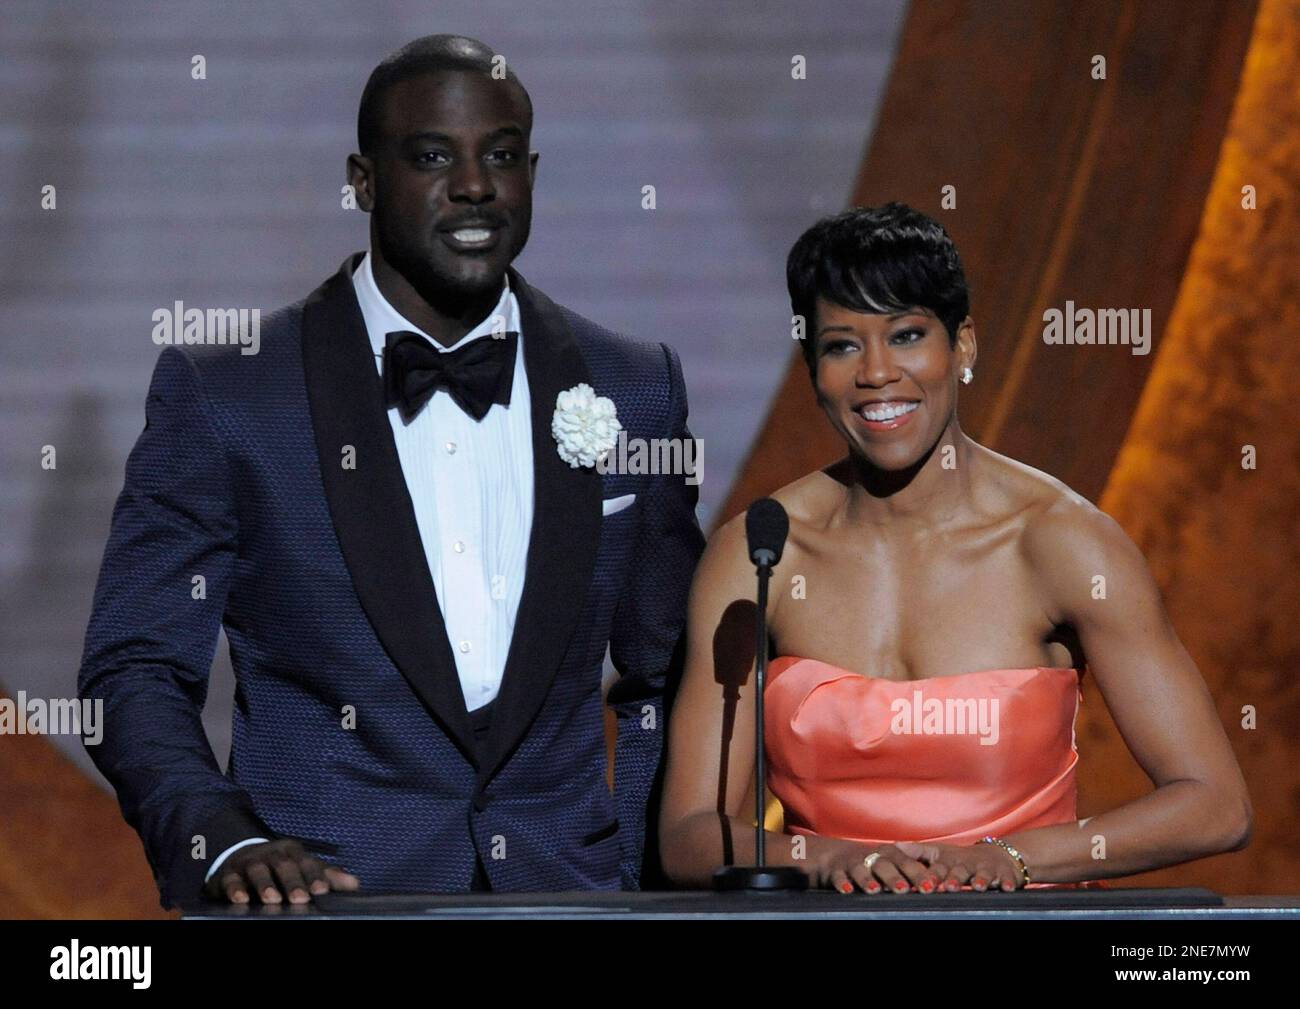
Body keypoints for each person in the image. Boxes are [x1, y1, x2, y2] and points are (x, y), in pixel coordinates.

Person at [77, 34, 704, 910]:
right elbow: (135, 665)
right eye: (433, 156)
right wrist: (221, 838)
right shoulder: (233, 395)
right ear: (363, 180)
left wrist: (640, 874)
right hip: (328, 904)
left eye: (503, 156)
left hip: (569, 899)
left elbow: (666, 672)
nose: (476, 184)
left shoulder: (633, 388)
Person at [658, 203, 1252, 894]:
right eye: (842, 345)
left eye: (907, 335)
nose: (876, 372)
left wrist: (1018, 857)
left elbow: (1215, 802)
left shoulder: (1061, 542)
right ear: (812, 367)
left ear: (963, 345)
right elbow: (688, 834)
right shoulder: (760, 554)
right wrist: (823, 857)